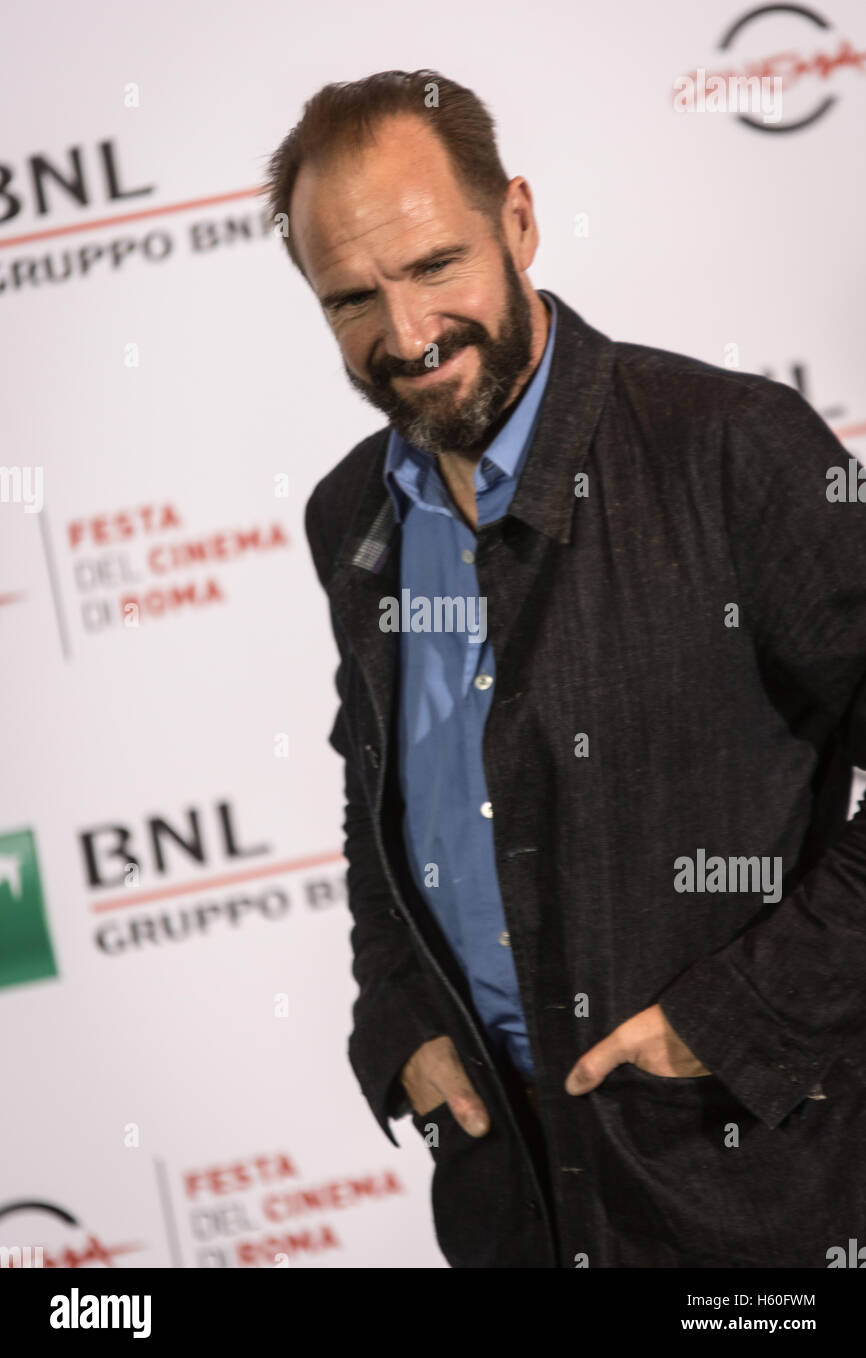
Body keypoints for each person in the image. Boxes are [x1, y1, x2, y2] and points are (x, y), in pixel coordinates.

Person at [265, 68, 866, 1268]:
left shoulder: (731, 451)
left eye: (434, 266)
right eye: (350, 298)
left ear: (518, 223)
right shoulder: (350, 515)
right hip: (514, 1204)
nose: (406, 334)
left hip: (755, 1191)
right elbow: (377, 794)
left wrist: (732, 1018)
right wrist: (398, 1020)